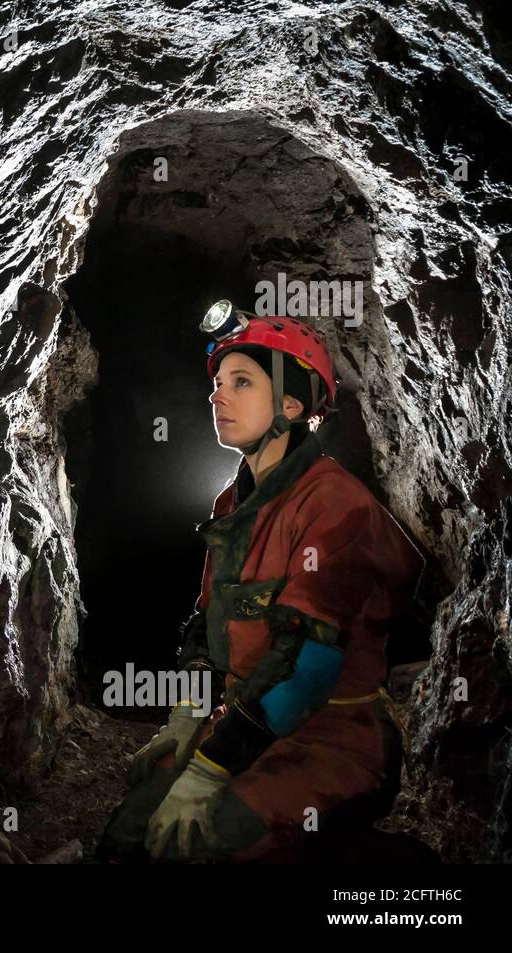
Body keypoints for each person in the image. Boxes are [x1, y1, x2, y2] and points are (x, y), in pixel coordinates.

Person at [96, 308, 425, 863]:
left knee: (191, 844)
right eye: (219, 384)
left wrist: (208, 768)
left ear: (292, 406)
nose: (217, 397)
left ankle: (378, 860)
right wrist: (188, 715)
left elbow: (308, 667)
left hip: (332, 737)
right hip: (249, 721)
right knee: (127, 833)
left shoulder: (336, 507)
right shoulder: (234, 502)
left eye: (241, 383)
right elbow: (207, 626)